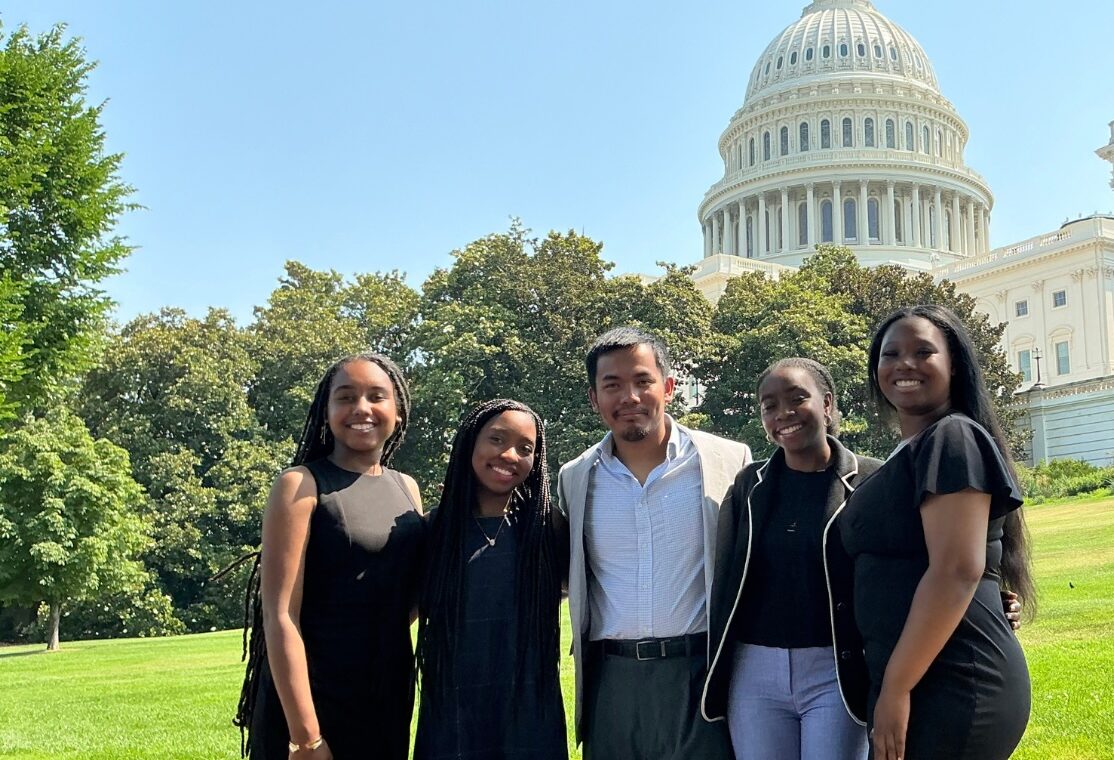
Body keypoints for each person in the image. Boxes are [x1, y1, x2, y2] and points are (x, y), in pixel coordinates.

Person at [840, 305, 1034, 760]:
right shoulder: (912, 449)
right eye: (890, 354)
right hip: (921, 675)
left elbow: (956, 571)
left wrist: (896, 688)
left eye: (923, 352)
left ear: (955, 364)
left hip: (951, 679)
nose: (904, 364)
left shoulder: (953, 437)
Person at [558, 326, 751, 760]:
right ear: (594, 399)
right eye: (612, 385)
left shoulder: (728, 461)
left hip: (701, 675)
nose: (629, 396)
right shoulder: (575, 477)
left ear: (668, 387)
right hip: (612, 683)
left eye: (642, 380)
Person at [234, 353, 426, 759]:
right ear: (327, 410)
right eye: (346, 397)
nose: (361, 408)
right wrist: (305, 737)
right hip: (315, 701)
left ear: (398, 411)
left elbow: (401, 599)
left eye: (376, 396)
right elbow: (280, 615)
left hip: (386, 697)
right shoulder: (300, 485)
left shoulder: (407, 488)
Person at [702, 358, 878, 760]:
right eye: (770, 406)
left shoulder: (871, 482)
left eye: (797, 399)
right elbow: (727, 577)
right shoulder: (749, 486)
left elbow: (911, 567)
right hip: (754, 672)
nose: (783, 413)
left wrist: (990, 601)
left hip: (837, 669)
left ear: (827, 404)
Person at [414, 399, 569, 760]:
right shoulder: (435, 529)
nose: (510, 455)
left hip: (529, 707)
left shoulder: (548, 527)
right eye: (497, 439)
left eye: (525, 448)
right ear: (471, 442)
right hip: (453, 709)